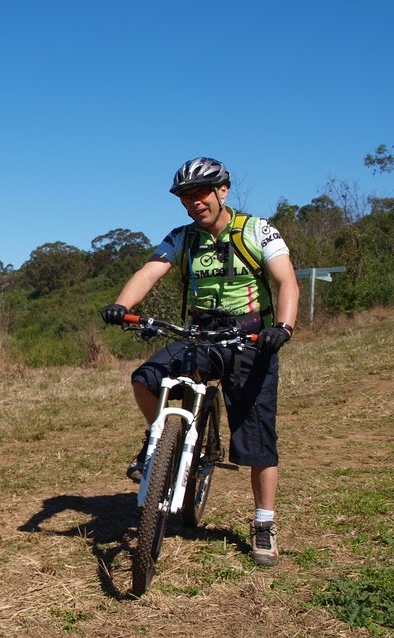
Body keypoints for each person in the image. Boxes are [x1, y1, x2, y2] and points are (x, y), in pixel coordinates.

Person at [101, 157, 300, 567]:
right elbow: (149, 271)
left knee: (257, 440)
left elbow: (286, 281)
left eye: (201, 194)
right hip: (200, 334)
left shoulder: (256, 230)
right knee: (145, 378)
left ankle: (264, 524)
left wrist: (282, 326)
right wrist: (123, 304)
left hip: (249, 338)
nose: (194, 203)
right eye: (186, 197)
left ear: (223, 191)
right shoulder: (183, 238)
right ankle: (158, 440)